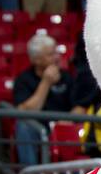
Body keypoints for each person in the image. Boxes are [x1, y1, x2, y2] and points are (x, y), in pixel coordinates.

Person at [12, 33, 72, 166]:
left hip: (63, 128)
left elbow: (79, 106)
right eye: (51, 54)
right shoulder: (24, 80)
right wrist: (46, 83)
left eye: (56, 52)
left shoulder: (67, 77)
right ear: (36, 60)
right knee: (24, 127)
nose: (57, 58)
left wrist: (69, 120)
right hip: (38, 129)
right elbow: (26, 111)